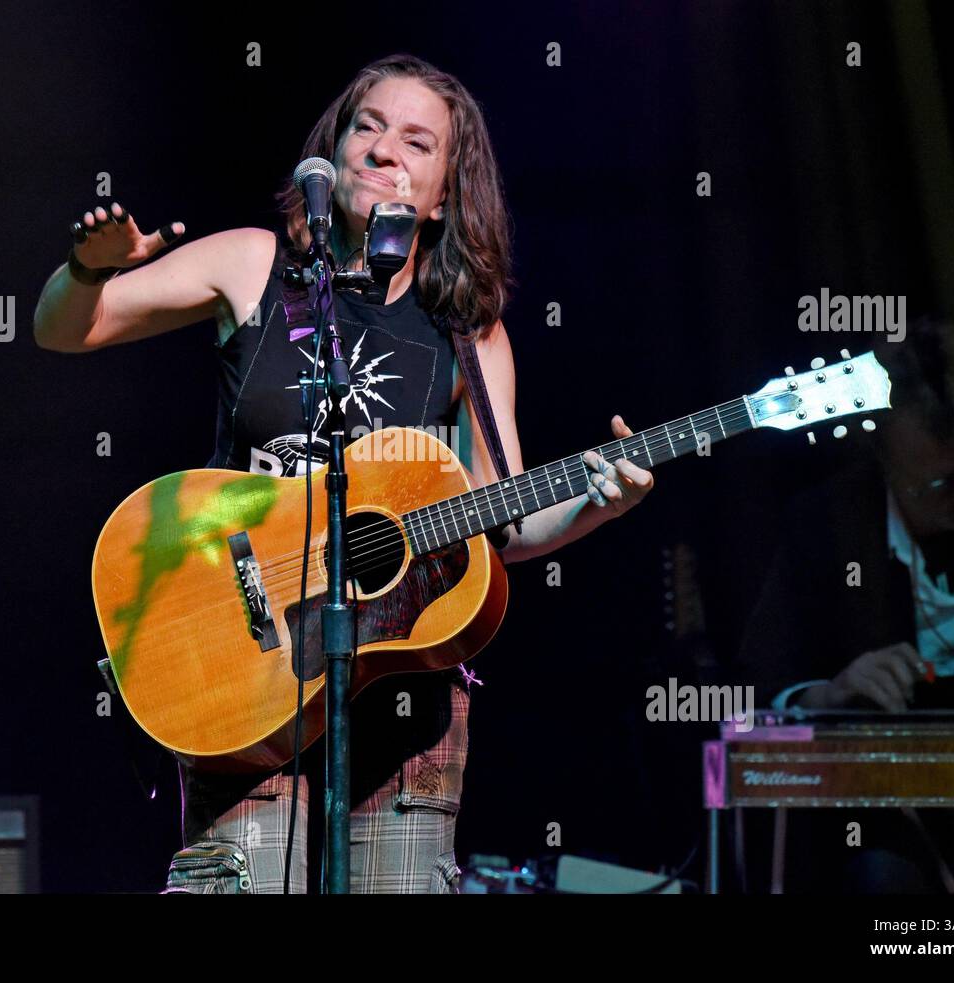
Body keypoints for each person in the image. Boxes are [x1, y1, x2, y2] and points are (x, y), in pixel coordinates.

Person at [33, 53, 654, 894]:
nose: (382, 149)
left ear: (444, 196)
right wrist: (88, 270)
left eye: (416, 141)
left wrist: (597, 501)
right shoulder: (252, 264)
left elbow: (501, 523)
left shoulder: (471, 335)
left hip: (401, 709)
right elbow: (67, 329)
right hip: (243, 668)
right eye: (367, 126)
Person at [734, 319, 954, 892]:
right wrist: (826, 695)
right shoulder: (826, 523)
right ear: (885, 463)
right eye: (933, 486)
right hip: (883, 828)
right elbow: (756, 685)